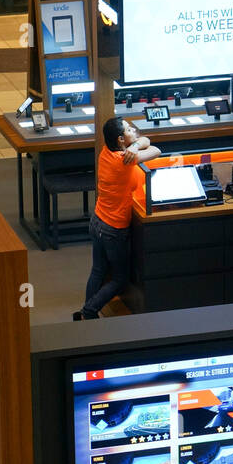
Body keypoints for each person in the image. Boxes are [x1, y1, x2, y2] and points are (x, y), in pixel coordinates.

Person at [75, 118, 160, 320]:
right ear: (121, 139)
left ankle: (87, 316)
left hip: (97, 221)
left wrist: (136, 144)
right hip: (113, 228)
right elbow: (156, 150)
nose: (134, 129)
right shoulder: (124, 159)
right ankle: (89, 310)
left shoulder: (107, 151)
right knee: (120, 279)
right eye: (129, 129)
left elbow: (144, 140)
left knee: (98, 270)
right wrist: (137, 147)